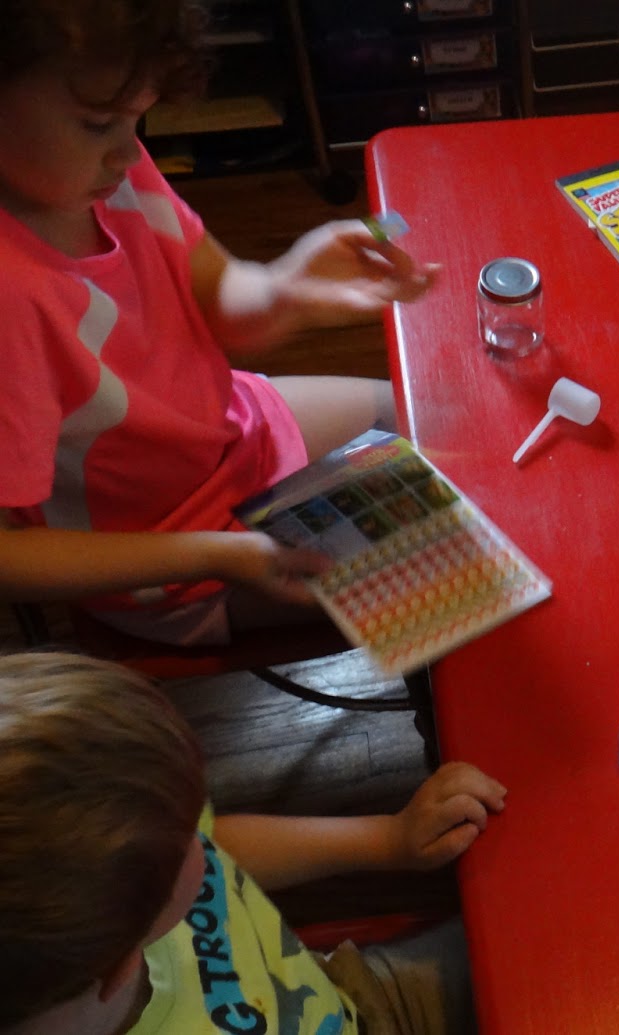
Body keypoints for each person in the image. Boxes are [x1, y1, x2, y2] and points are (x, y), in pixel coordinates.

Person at [0, 0, 441, 646]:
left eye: (137, 117)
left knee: (443, 424)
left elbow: (223, 298)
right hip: (171, 561)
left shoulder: (106, 169)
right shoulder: (12, 297)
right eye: (97, 124)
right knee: (450, 573)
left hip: (235, 436)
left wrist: (287, 287)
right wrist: (216, 553)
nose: (129, 151)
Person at [0, 650, 506, 1035]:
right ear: (122, 968)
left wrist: (388, 840)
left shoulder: (125, 899)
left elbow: (219, 850)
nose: (203, 834)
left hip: (356, 1001)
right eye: (190, 835)